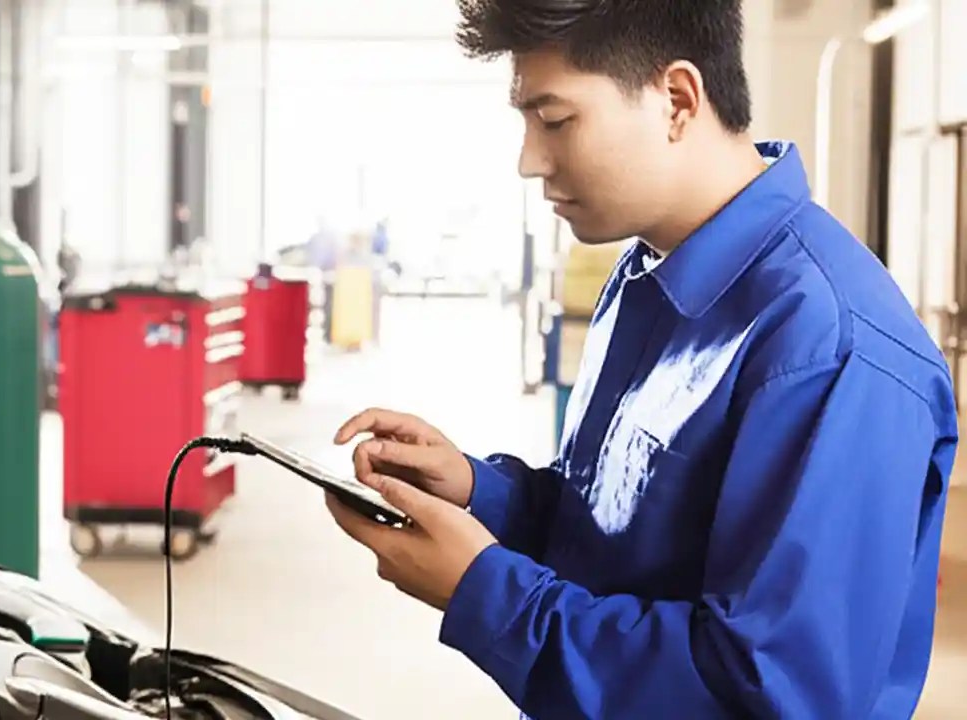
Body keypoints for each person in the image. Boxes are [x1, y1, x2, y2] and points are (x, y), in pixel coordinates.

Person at [324, 2, 959, 718]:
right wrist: (477, 490)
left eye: (555, 119)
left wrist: (485, 591)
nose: (529, 160)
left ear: (677, 101)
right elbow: (607, 531)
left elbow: (773, 699)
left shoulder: (833, 349)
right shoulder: (643, 275)